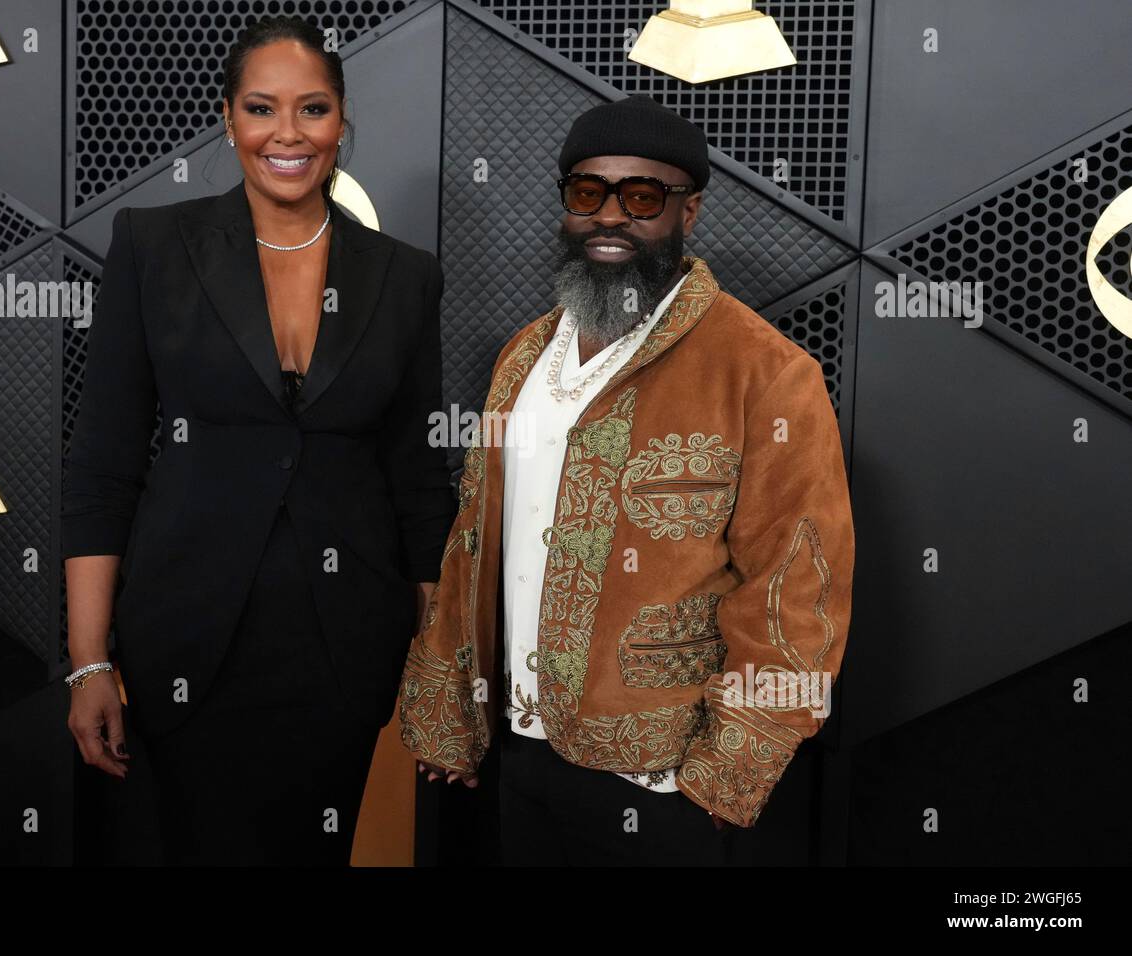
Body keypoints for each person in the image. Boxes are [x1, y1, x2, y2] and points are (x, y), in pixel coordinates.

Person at [397, 94, 855, 865]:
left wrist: (719, 778)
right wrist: (450, 711)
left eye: (642, 196)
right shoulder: (523, 355)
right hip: (513, 754)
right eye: (588, 192)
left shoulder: (766, 371)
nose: (610, 217)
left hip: (659, 779)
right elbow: (471, 544)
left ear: (690, 210)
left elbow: (797, 591)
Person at [62, 15, 453, 866]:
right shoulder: (152, 248)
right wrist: (89, 663)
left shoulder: (404, 277)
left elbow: (420, 479)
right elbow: (103, 465)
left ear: (342, 121)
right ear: (229, 118)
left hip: (340, 654)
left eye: (312, 109)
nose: (287, 134)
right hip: (183, 644)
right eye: (261, 108)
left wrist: (431, 660)